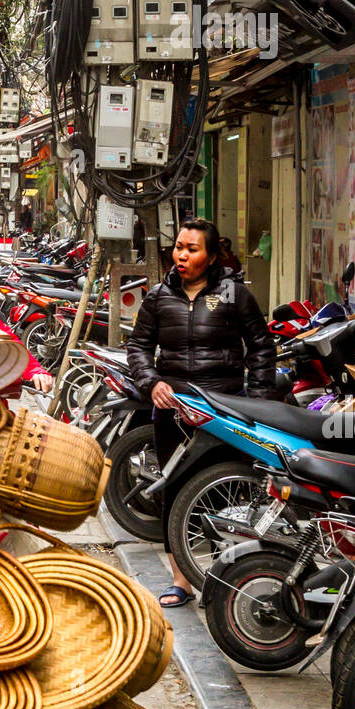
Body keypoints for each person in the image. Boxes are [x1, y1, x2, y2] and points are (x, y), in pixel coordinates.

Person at [126, 217, 275, 607]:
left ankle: (221, 575)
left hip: (224, 409)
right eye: (179, 247)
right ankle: (181, 580)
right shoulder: (158, 297)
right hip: (174, 408)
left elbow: (261, 347)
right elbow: (138, 347)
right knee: (174, 489)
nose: (182, 255)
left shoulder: (234, 295)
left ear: (210, 257)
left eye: (192, 249)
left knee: (226, 489)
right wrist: (152, 382)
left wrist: (255, 400)